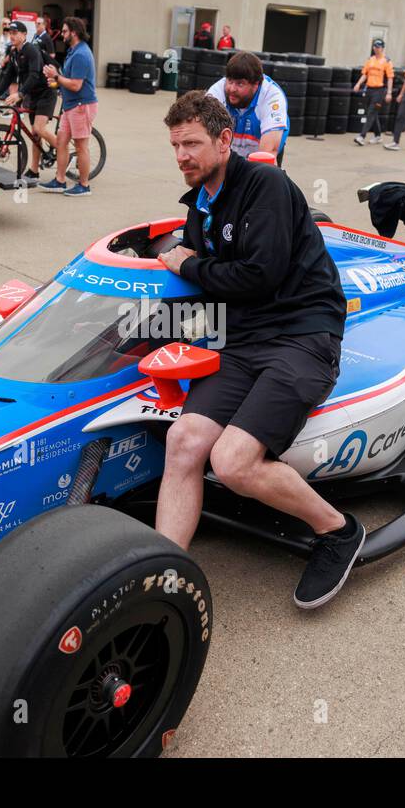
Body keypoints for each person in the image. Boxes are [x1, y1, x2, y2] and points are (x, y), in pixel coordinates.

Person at [155, 91, 357, 609]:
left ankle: (336, 531)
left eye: (192, 144)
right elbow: (203, 271)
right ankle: (158, 576)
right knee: (182, 440)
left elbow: (257, 275)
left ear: (225, 141)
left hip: (303, 336)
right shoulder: (200, 204)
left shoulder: (265, 184)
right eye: (176, 145)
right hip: (244, 338)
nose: (182, 156)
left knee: (232, 462)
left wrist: (185, 264)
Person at [39, 16, 97, 197]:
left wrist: (56, 77)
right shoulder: (73, 51)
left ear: (74, 32)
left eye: (64, 31)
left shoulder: (81, 54)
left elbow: (76, 85)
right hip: (71, 105)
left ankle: (84, 185)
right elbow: (68, 81)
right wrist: (56, 83)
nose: (61, 34)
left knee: (81, 147)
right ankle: (60, 180)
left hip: (81, 105)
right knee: (62, 142)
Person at [0, 20, 56, 182]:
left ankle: (62, 150)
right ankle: (34, 170)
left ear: (24, 35)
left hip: (46, 93)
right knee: (35, 134)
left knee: (38, 128)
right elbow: (8, 76)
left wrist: (20, 94)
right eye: (10, 33)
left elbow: (35, 74)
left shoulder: (31, 50)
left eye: (15, 33)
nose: (12, 36)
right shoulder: (15, 52)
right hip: (33, 95)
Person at [204, 51, 289, 162]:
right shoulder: (217, 91)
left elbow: (267, 153)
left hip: (262, 147)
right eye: (230, 80)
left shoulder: (272, 97)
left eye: (240, 84)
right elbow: (203, 137)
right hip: (231, 148)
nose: (232, 89)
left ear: (256, 84)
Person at [351, 39, 393, 146]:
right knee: (373, 113)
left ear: (383, 48)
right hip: (369, 89)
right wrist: (358, 84)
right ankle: (378, 136)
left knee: (371, 112)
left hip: (379, 90)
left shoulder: (387, 61)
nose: (376, 48)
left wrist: (389, 92)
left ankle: (362, 136)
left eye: (378, 47)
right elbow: (365, 74)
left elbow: (390, 78)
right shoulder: (370, 59)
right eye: (374, 46)